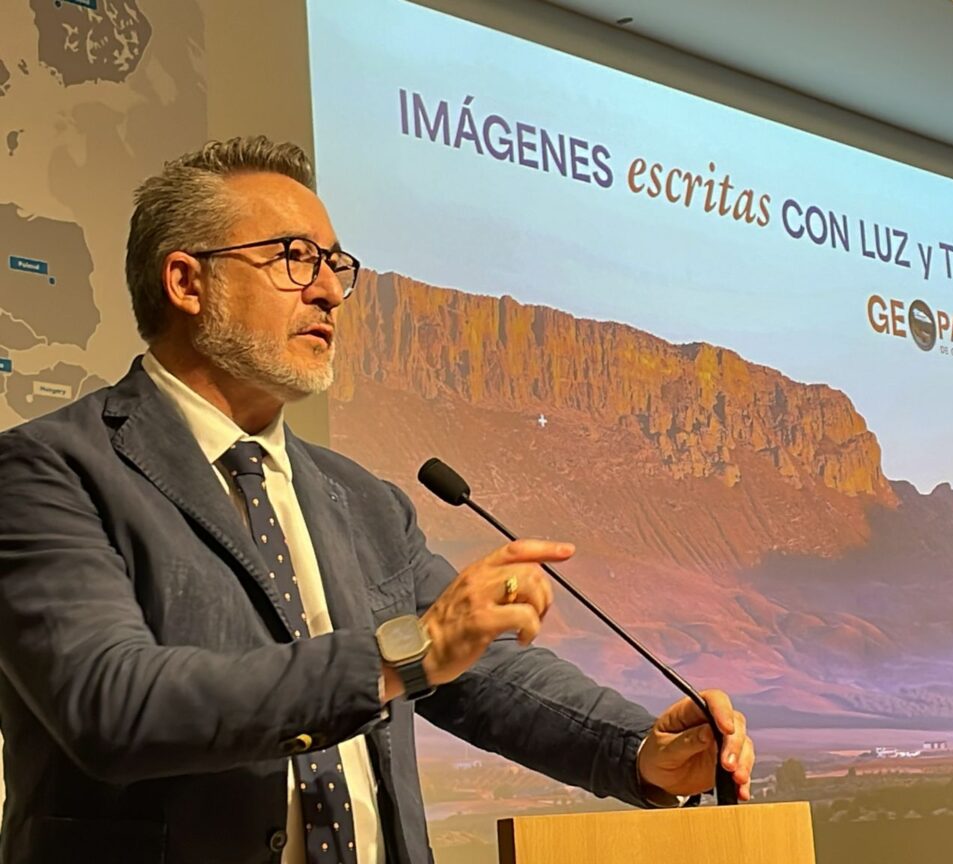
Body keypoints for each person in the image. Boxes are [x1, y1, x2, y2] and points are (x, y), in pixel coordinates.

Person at [0, 136, 754, 864]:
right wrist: (403, 654)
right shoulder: (50, 470)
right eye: (293, 258)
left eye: (334, 264)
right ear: (187, 282)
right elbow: (111, 702)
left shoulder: (363, 501)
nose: (329, 290)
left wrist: (640, 750)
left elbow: (480, 673)